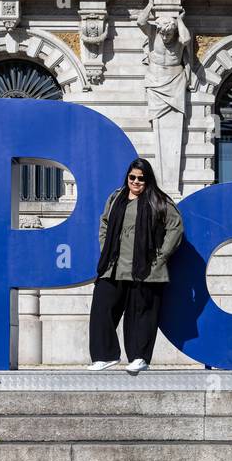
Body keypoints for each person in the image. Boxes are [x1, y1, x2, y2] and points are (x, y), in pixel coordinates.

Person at [88, 158, 183, 372]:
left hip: (145, 269)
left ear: (147, 179)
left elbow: (175, 228)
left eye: (141, 178)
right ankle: (105, 355)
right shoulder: (116, 197)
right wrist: (106, 247)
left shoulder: (159, 200)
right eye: (132, 177)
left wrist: (161, 255)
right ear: (127, 177)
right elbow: (104, 224)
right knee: (102, 307)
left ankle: (139, 357)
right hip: (113, 266)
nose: (136, 182)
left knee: (140, 314)